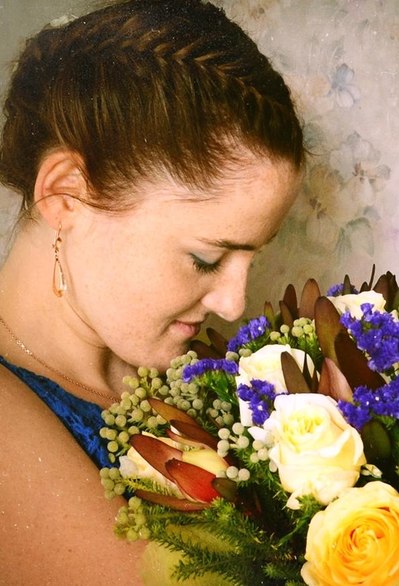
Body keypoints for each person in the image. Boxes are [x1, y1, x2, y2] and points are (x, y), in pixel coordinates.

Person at [0, 0, 304, 583]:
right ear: (66, 194)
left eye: (252, 258)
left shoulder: (190, 372)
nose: (233, 304)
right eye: (206, 258)